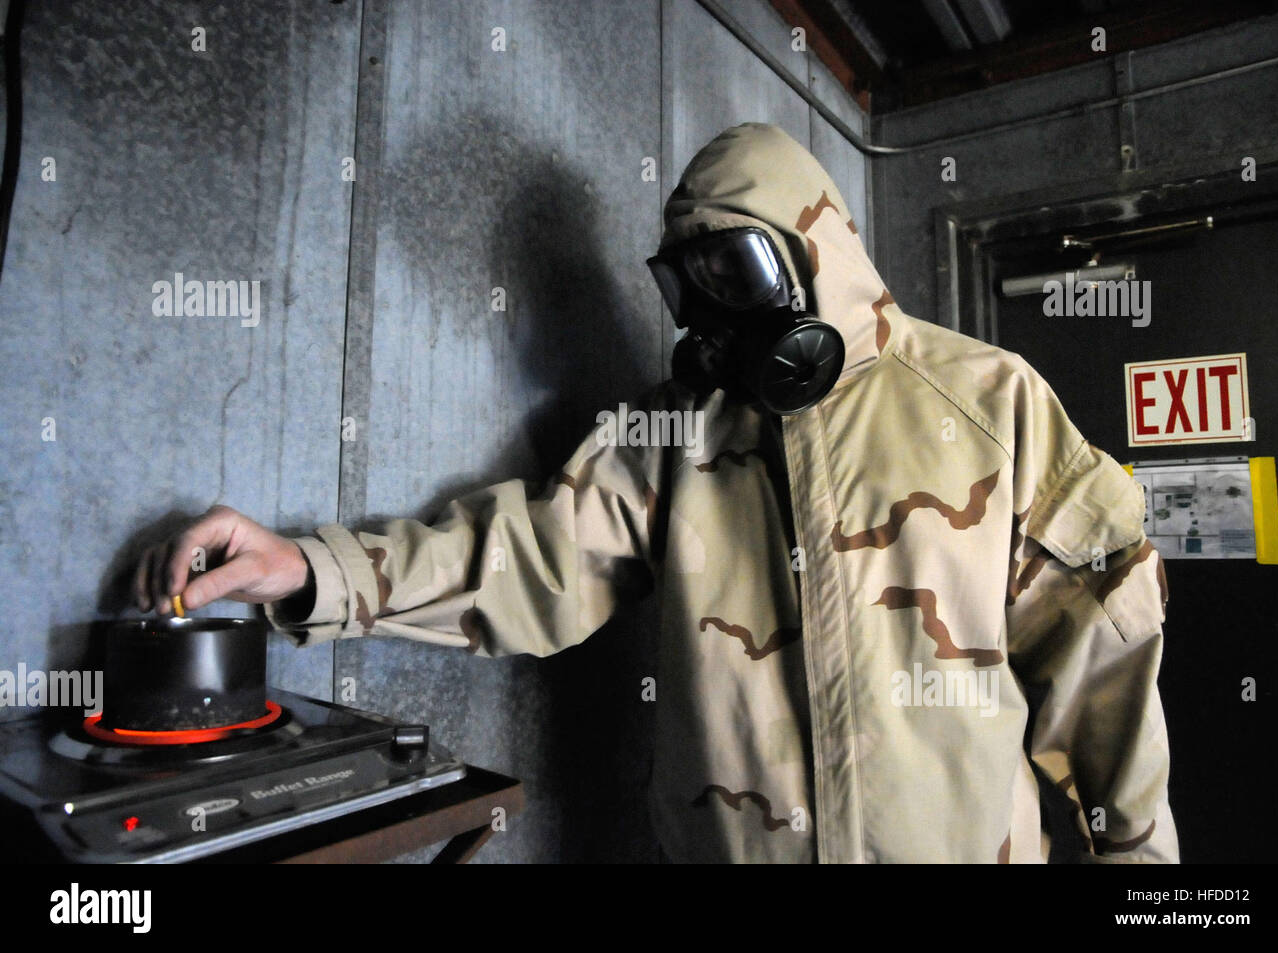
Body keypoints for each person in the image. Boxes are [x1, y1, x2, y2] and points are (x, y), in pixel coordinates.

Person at [134, 122, 1178, 864]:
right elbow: (531, 555)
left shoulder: (988, 402)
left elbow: (1104, 669)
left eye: (733, 271)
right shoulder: (678, 430)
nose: (711, 318)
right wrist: (308, 568)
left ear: (812, 256)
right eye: (688, 288)